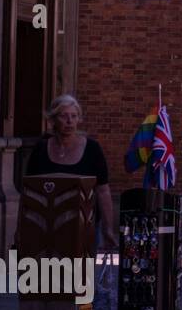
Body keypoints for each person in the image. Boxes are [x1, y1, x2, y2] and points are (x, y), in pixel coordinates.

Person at [24, 95, 115, 249]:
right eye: (64, 116)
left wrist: (108, 228)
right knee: (44, 271)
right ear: (53, 120)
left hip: (84, 226)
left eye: (74, 116)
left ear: (79, 119)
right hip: (47, 226)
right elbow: (29, 190)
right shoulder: (40, 149)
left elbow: (103, 190)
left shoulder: (92, 149)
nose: (69, 121)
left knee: (81, 272)